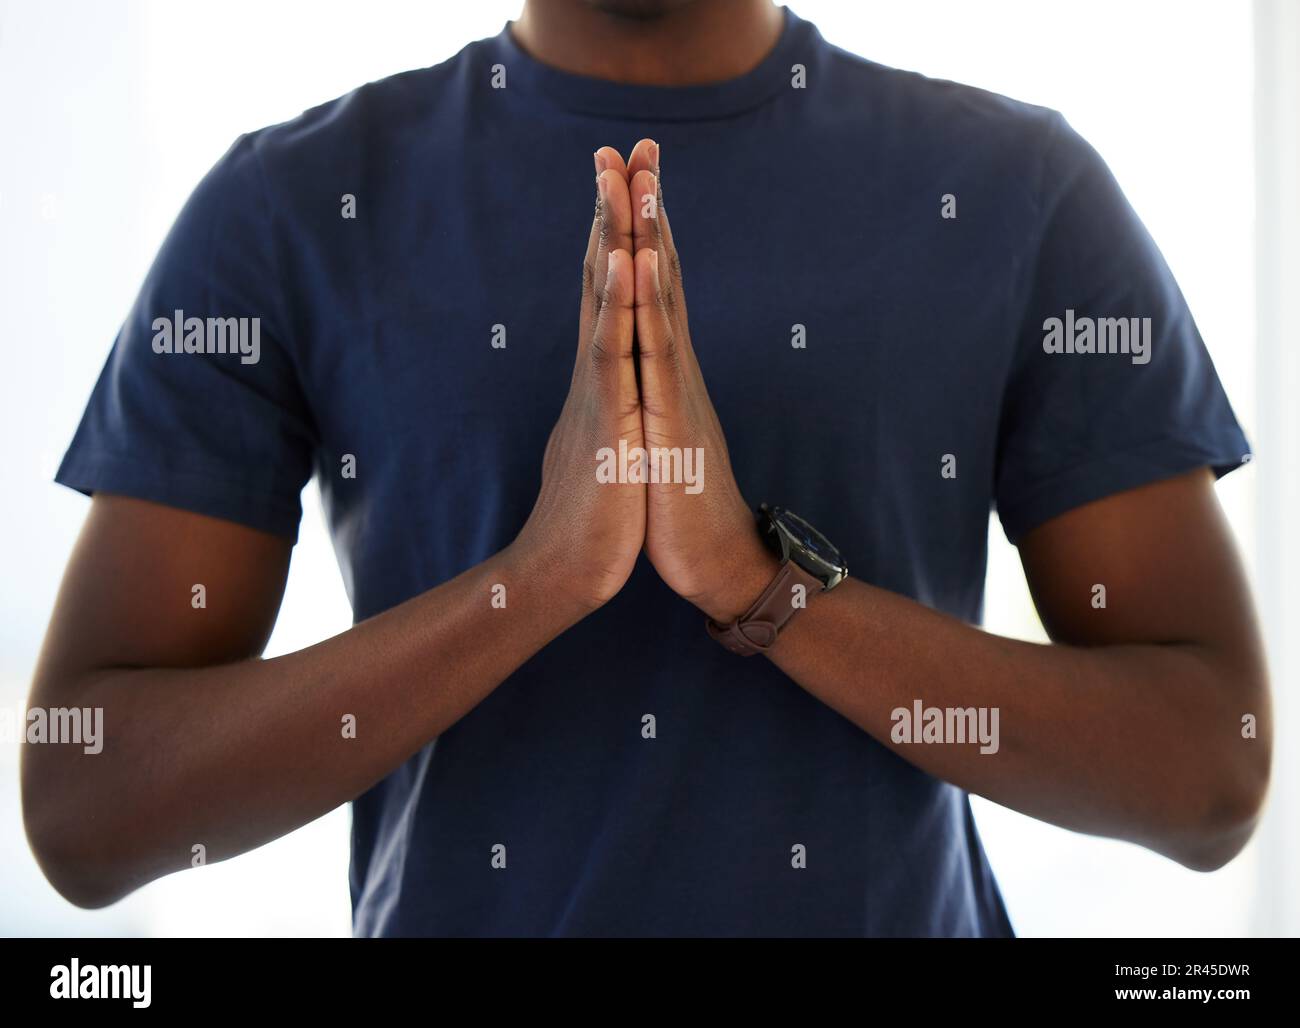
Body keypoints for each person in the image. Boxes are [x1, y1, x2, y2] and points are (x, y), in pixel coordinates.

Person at [23, 0, 1270, 936]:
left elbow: (1209, 768)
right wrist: (543, 576)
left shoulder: (1019, 191)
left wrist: (749, 580)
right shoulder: (290, 204)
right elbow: (87, 804)